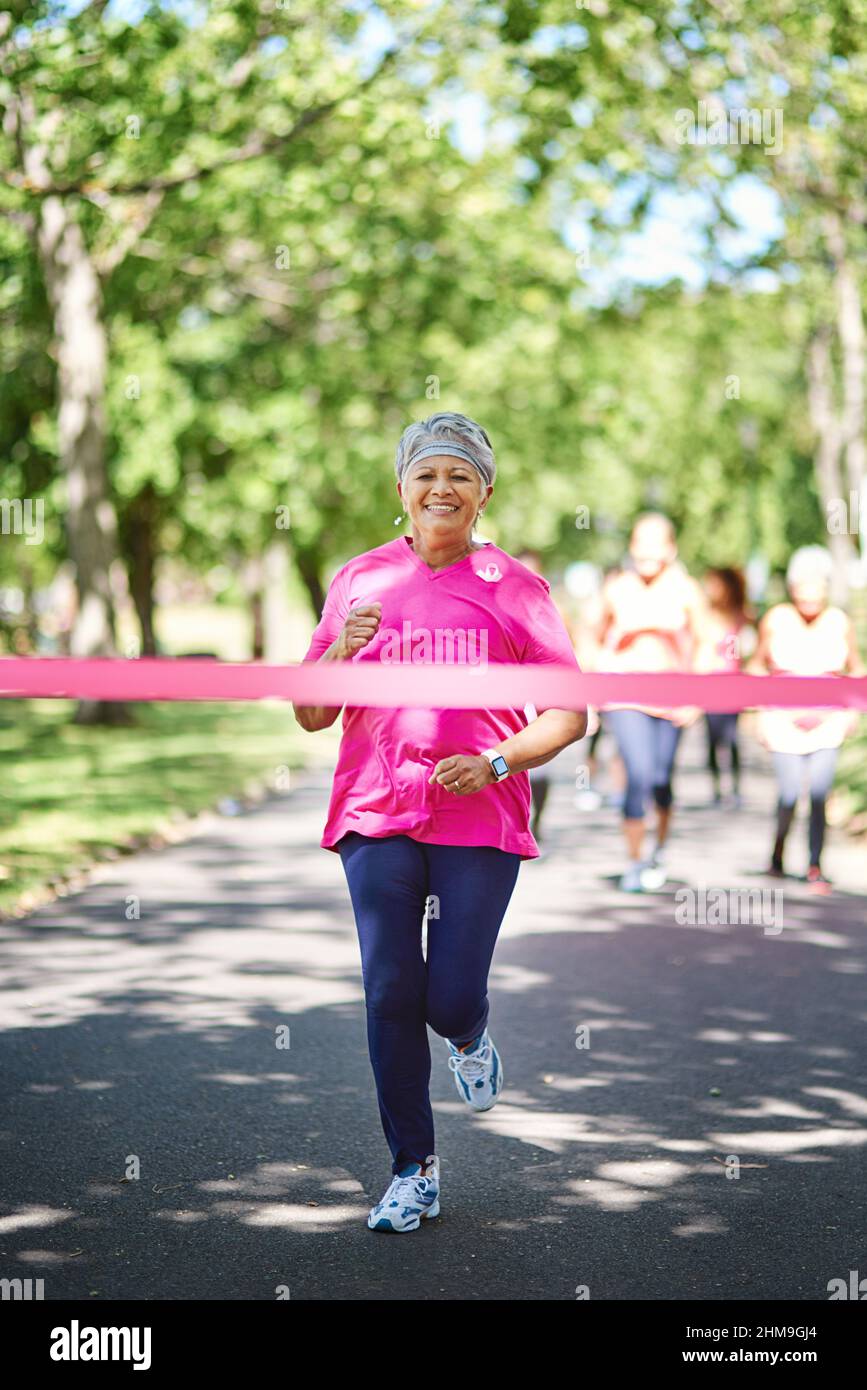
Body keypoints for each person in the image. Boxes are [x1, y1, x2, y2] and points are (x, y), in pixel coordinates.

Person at [293, 412, 587, 1232]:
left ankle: (469, 1032)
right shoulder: (359, 579)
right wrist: (339, 655)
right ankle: (411, 1169)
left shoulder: (517, 590)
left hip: (478, 814)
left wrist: (496, 762)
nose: (440, 488)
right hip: (374, 808)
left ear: (483, 493)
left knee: (448, 992)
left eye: (459, 474)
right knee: (390, 988)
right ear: (401, 490)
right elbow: (310, 712)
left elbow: (569, 715)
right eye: (425, 474)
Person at [592, 513, 707, 892]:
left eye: (657, 542)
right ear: (632, 546)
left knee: (660, 780)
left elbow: (706, 643)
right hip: (624, 696)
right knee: (637, 774)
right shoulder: (617, 588)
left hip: (672, 699)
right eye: (641, 541)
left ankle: (658, 847)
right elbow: (592, 637)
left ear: (671, 549)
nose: (648, 551)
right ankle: (635, 861)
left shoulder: (686, 590)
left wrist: (698, 697)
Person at [749, 545, 863, 893]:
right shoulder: (777, 619)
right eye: (803, 596)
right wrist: (756, 713)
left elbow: (856, 671)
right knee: (788, 793)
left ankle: (815, 863)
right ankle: (778, 850)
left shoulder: (838, 623)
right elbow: (755, 667)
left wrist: (852, 712)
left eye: (816, 597)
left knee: (818, 793)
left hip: (827, 725)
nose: (809, 605)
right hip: (782, 723)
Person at [697, 566, 754, 808]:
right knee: (712, 737)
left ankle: (736, 787)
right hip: (710, 685)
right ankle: (717, 788)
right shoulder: (705, 615)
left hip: (733, 686)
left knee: (731, 737)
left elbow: (751, 651)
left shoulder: (743, 616)